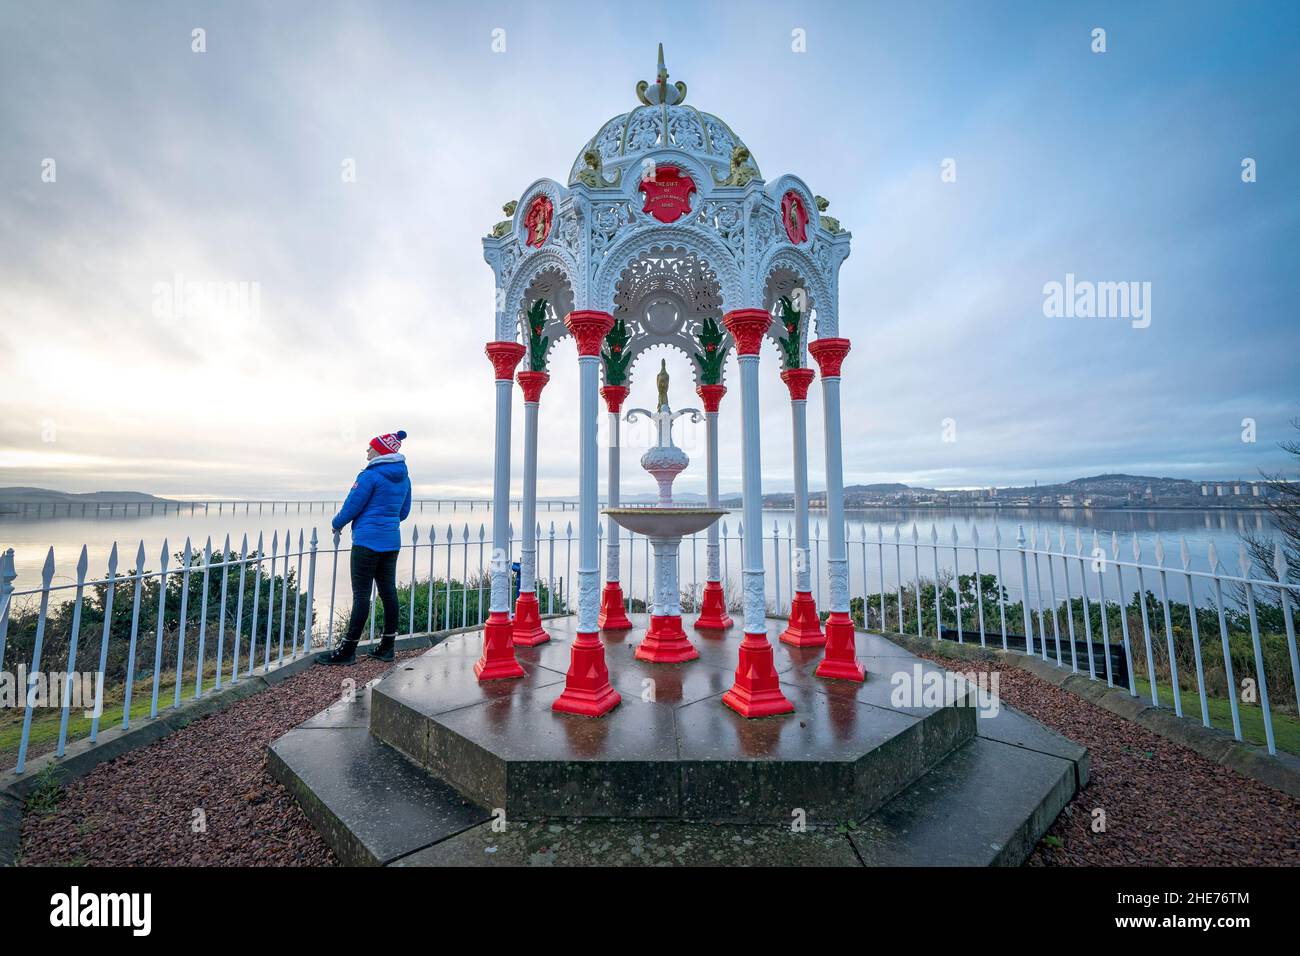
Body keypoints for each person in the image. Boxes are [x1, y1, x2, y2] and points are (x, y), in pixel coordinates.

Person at [317, 430, 412, 665]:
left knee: (361, 595)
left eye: (370, 448)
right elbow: (403, 512)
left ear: (380, 451)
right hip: (391, 542)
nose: (366, 451)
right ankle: (387, 647)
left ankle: (347, 651)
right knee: (388, 592)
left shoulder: (369, 476)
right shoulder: (405, 477)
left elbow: (352, 506)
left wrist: (336, 523)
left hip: (367, 542)